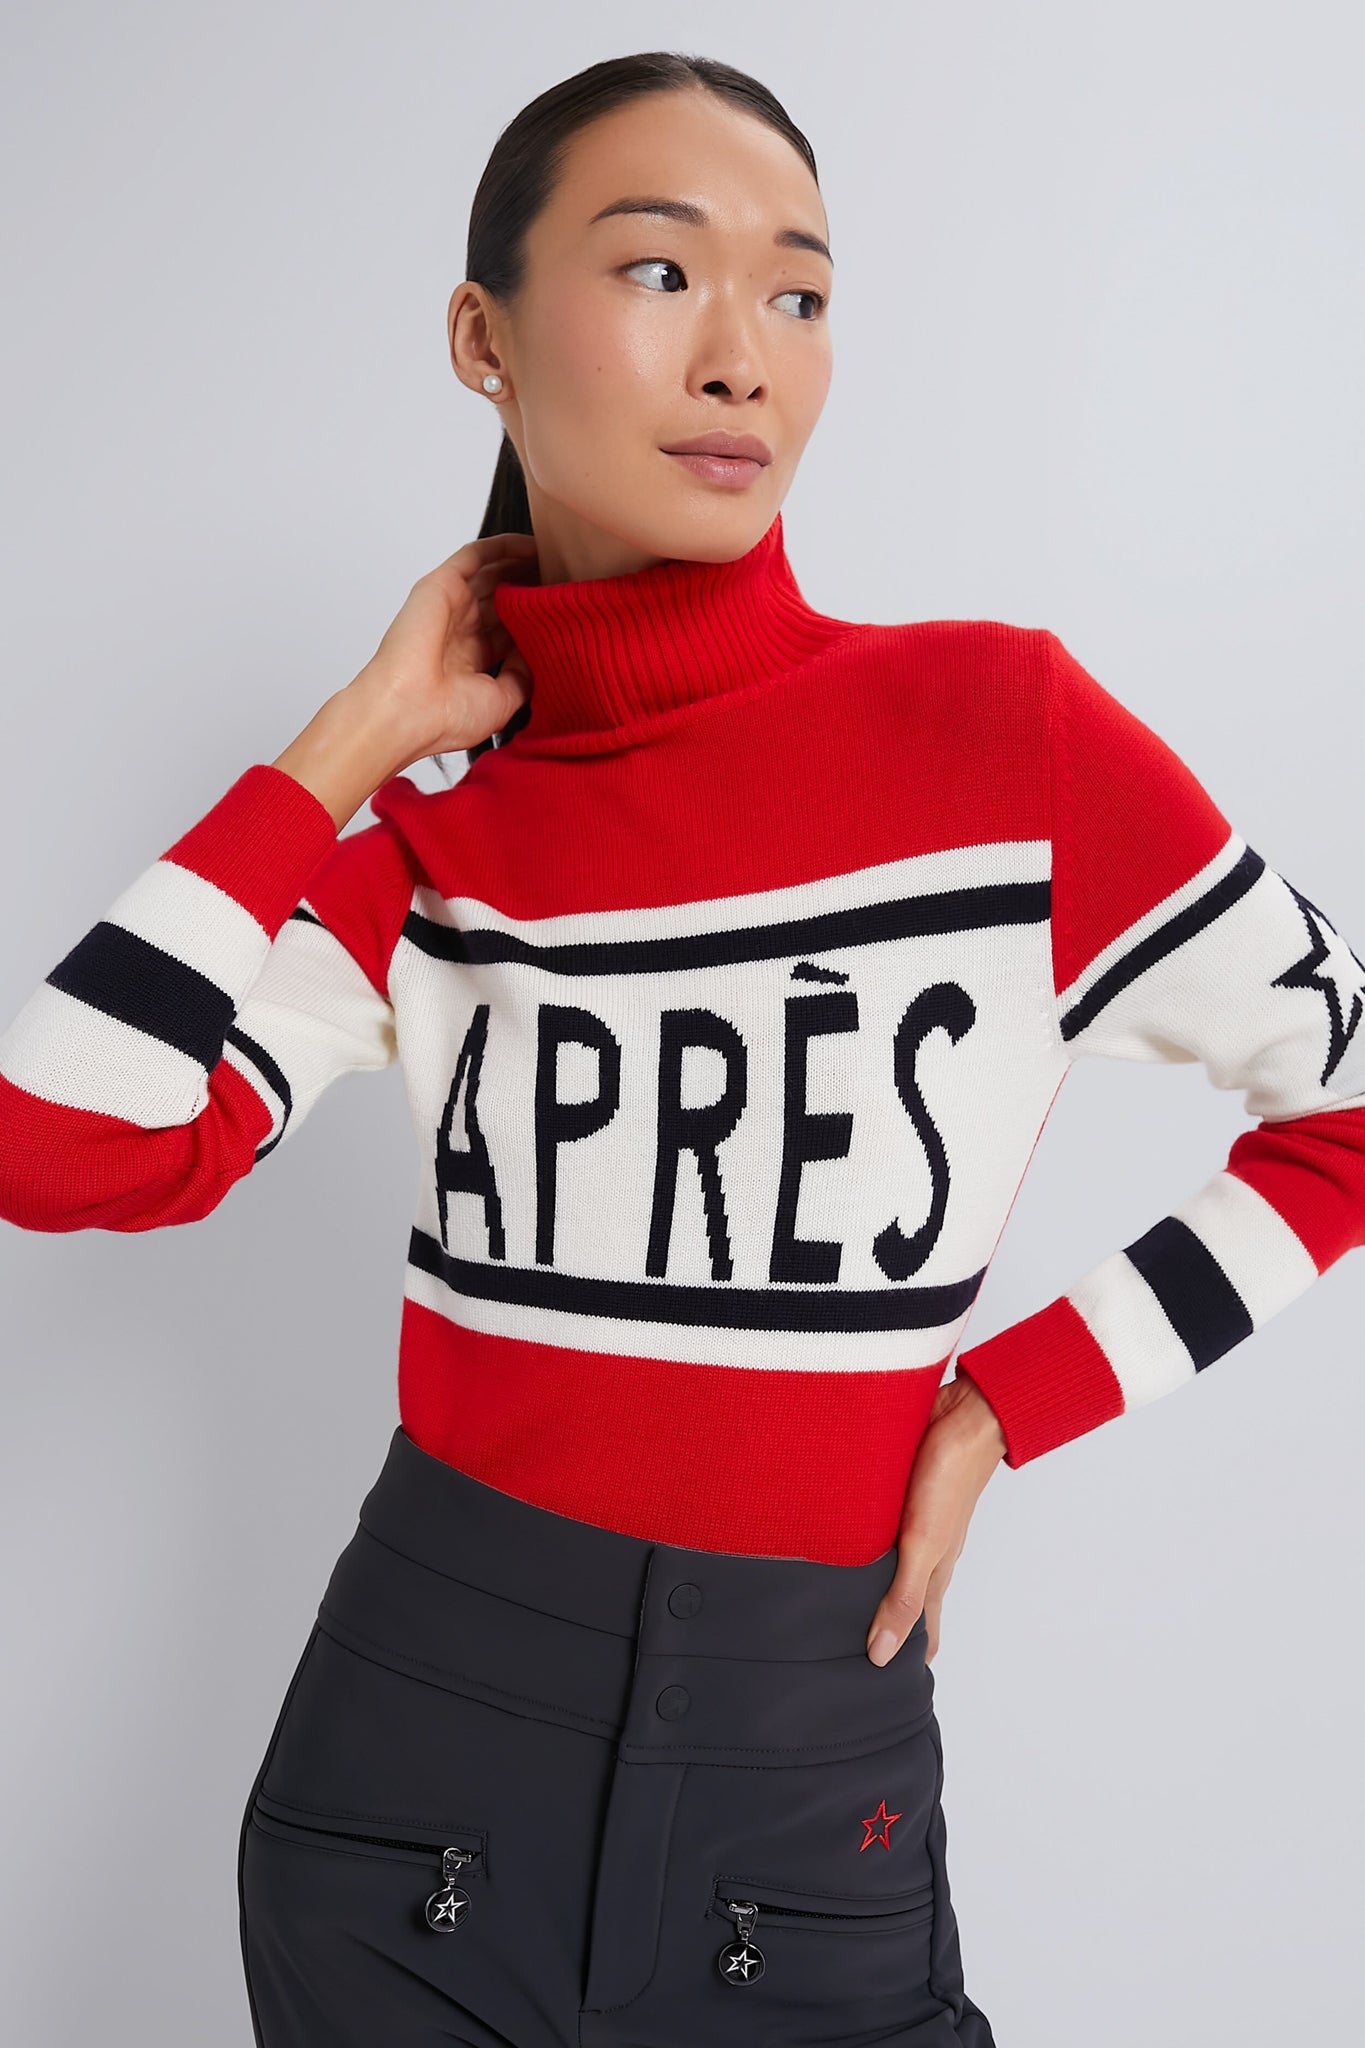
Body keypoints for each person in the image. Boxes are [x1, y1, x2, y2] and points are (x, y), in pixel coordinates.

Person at [2, 46, 1363, 2048]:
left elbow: (1342, 1106)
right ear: (481, 339)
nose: (742, 359)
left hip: (806, 1780)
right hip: (413, 1766)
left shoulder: (1004, 744)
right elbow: (60, 1145)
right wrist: (349, 739)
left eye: (797, 294)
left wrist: (1007, 1404)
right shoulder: (431, 843)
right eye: (659, 271)